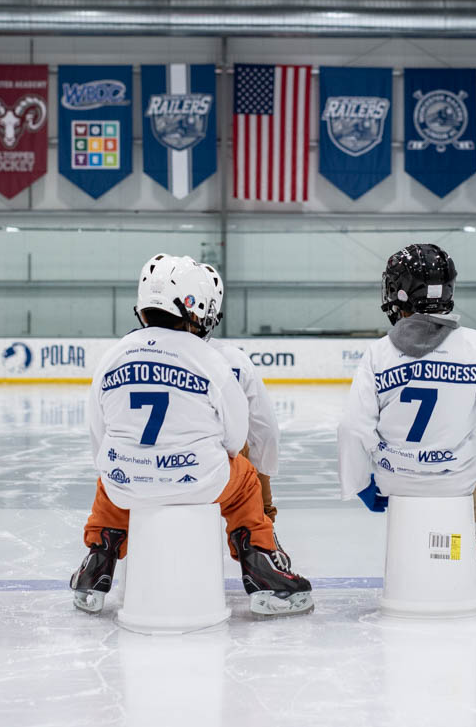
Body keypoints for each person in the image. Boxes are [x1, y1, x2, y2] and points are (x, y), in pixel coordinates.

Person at [70, 254, 312, 616]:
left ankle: (99, 558)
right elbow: (236, 436)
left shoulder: (112, 355)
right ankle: (260, 564)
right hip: (195, 478)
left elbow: (98, 436)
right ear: (195, 308)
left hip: (128, 480)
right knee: (244, 477)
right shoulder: (208, 358)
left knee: (109, 477)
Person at [338, 243, 476, 558]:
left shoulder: (378, 352)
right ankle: (470, 527)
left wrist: (359, 484)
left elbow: (353, 427)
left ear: (398, 293)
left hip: (395, 480)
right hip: (456, 480)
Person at [198, 262, 281, 524]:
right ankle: (258, 543)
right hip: (225, 475)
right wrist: (264, 498)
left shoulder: (131, 353)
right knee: (243, 456)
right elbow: (264, 430)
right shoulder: (233, 360)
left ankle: (104, 547)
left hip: (147, 476)